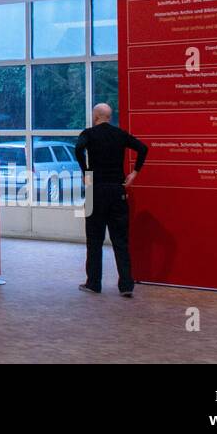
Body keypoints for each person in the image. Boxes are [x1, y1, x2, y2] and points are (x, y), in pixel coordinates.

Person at [74, 102, 148, 297]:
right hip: (117, 190)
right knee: (120, 240)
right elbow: (143, 148)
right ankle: (125, 285)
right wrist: (134, 173)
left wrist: (86, 173)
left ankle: (94, 283)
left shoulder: (89, 133)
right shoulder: (120, 134)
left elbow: (78, 149)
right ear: (109, 116)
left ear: (97, 116)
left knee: (94, 239)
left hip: (95, 190)